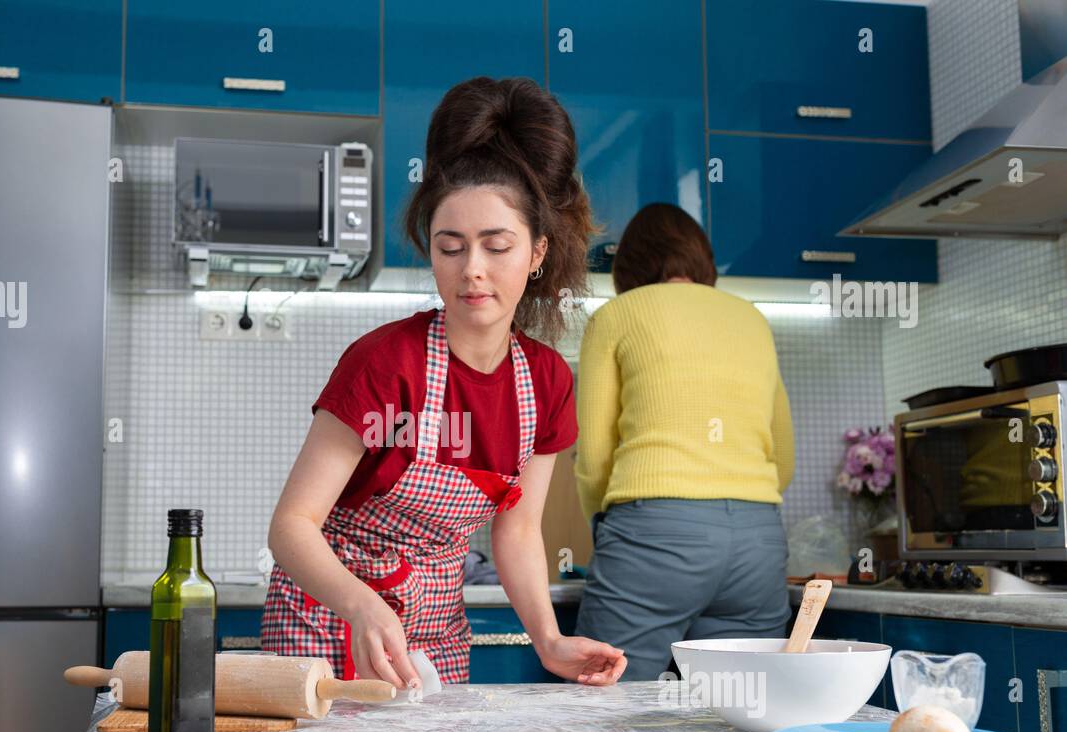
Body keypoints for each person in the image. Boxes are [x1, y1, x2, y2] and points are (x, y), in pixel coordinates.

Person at [260, 76, 627, 689]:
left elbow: (516, 530)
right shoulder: (383, 363)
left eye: (496, 246)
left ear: (537, 252)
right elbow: (291, 526)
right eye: (450, 247)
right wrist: (361, 605)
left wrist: (550, 640)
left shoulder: (546, 383)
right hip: (328, 622)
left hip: (435, 636)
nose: (472, 272)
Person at [574, 202, 795, 681]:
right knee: (741, 715)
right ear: (703, 261)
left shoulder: (616, 315)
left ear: (627, 268)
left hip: (652, 534)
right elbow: (784, 456)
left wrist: (606, 525)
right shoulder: (752, 318)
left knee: (610, 706)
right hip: (758, 542)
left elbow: (592, 458)